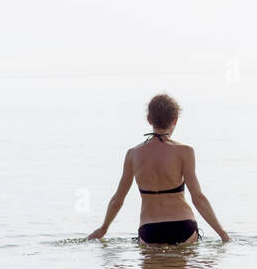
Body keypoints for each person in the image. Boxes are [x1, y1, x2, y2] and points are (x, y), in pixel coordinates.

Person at [87, 93, 231, 245]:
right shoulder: (185, 151)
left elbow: (118, 200)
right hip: (183, 226)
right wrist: (223, 235)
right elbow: (198, 198)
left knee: (154, 268)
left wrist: (103, 229)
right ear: (175, 120)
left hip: (150, 231)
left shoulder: (133, 154)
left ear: (149, 119)